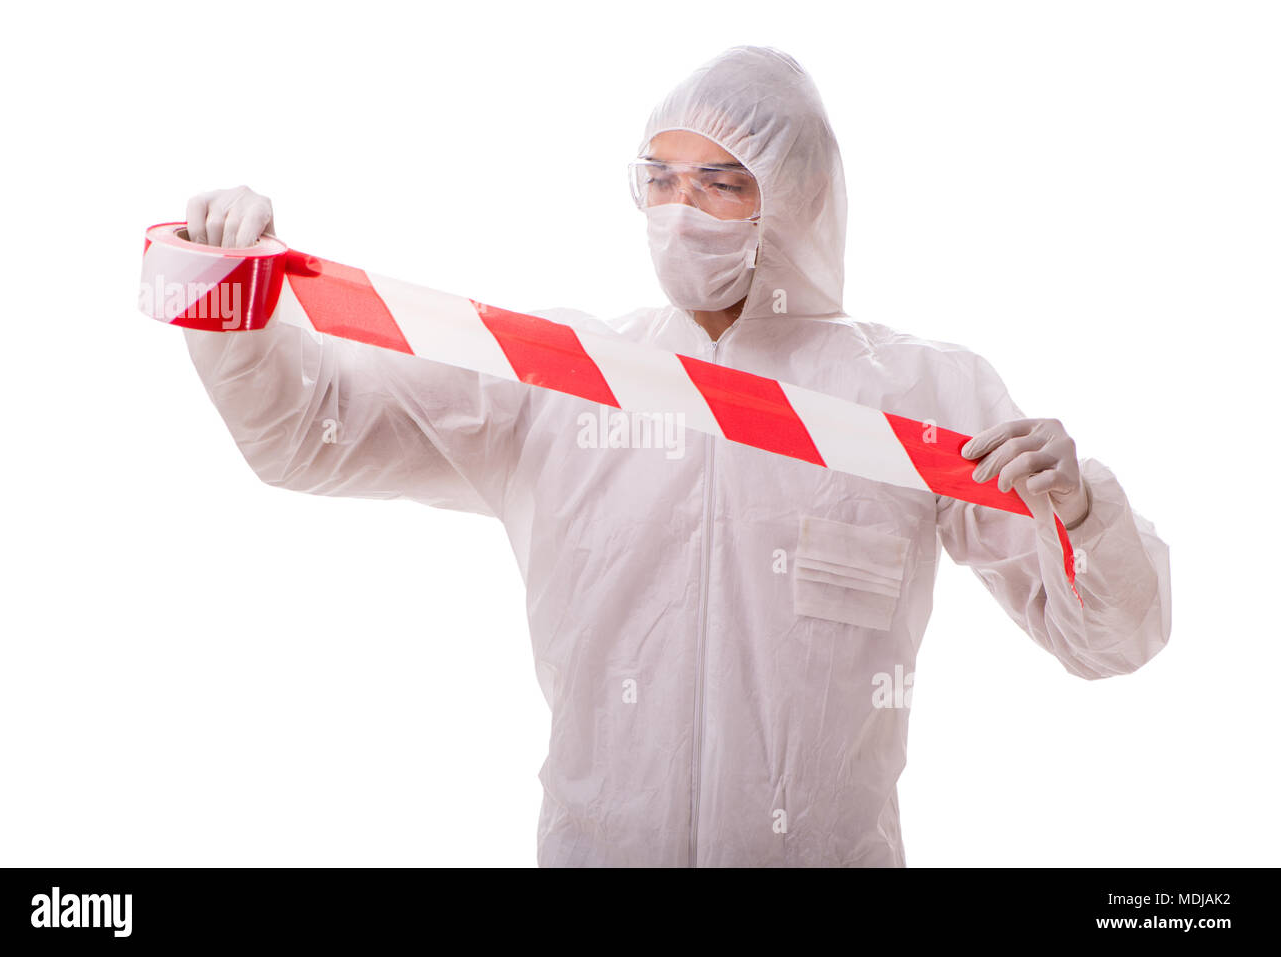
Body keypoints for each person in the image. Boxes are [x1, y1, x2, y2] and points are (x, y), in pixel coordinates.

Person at [180, 46, 1172, 866]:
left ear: (798, 196)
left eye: (720, 182)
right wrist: (229, 300)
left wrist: (1083, 512)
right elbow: (308, 433)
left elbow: (1113, 641)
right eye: (659, 180)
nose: (679, 210)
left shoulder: (922, 400)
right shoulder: (561, 378)